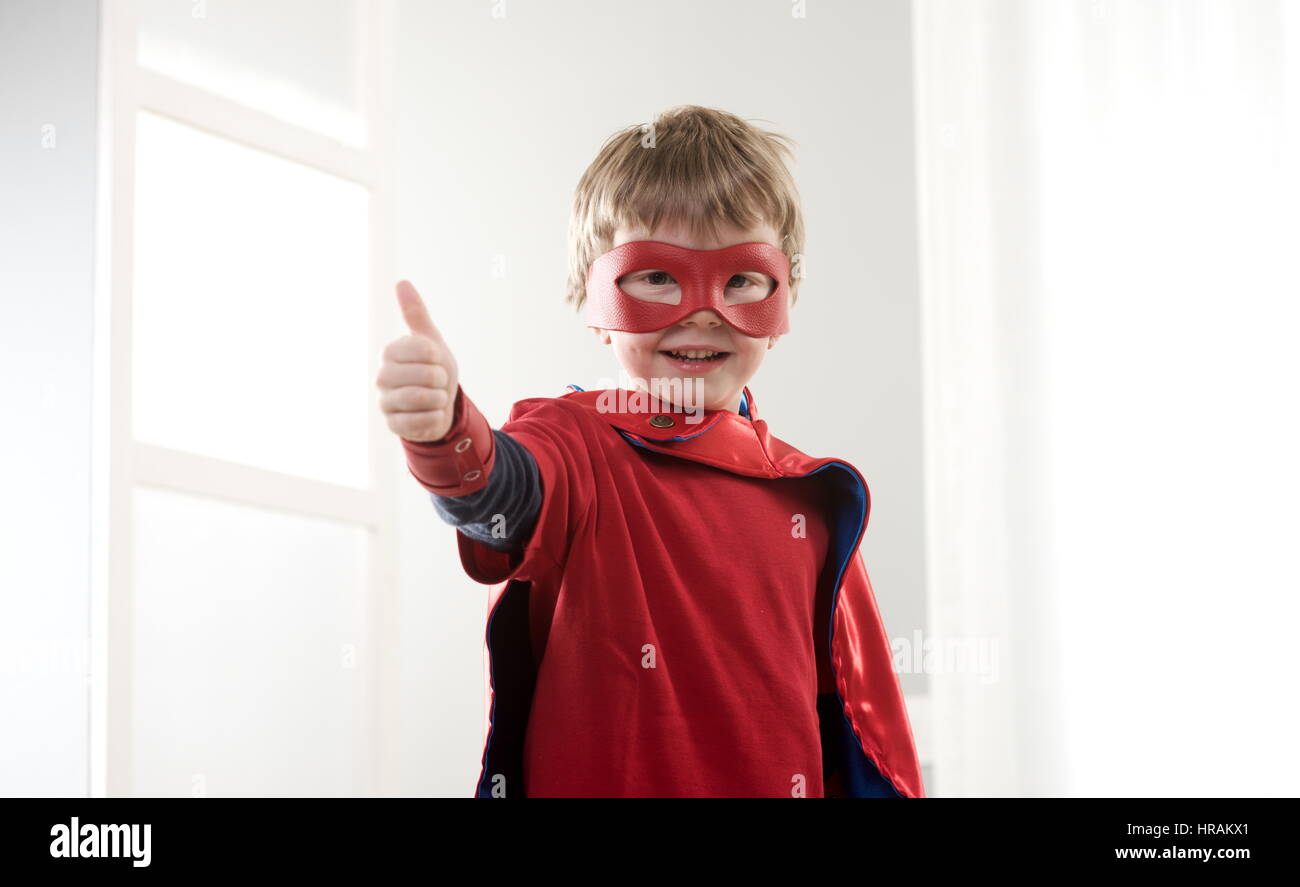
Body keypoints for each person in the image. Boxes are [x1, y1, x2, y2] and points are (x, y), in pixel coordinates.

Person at [375, 105, 924, 798]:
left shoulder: (809, 498)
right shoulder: (576, 444)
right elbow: (501, 495)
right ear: (595, 299)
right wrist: (444, 431)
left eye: (741, 280)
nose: (701, 310)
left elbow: (844, 725)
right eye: (658, 277)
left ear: (781, 304)